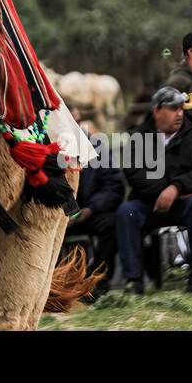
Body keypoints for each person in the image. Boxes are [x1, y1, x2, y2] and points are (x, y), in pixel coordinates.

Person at [118, 86, 192, 295]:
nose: (179, 113)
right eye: (173, 109)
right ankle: (134, 280)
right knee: (127, 212)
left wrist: (175, 188)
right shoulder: (138, 136)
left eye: (181, 108)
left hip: (183, 203)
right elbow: (134, 174)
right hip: (147, 204)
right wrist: (163, 190)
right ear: (156, 110)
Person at [66, 123, 123, 297]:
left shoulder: (95, 146)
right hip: (57, 217)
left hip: (87, 213)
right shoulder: (48, 146)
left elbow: (113, 185)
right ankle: (59, 285)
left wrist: (90, 209)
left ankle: (96, 281)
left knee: (114, 223)